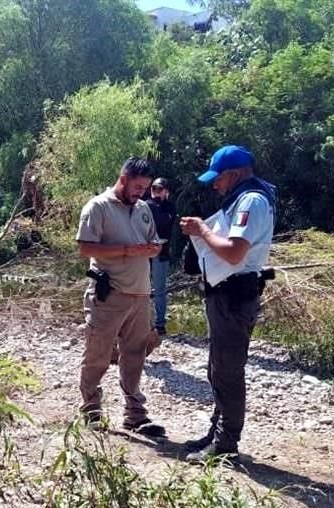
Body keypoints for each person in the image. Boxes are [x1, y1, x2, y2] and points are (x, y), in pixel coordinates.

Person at [179, 145, 276, 462]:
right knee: (218, 369)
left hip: (235, 297)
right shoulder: (243, 199)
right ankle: (217, 434)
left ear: (234, 174)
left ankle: (225, 445)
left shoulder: (252, 201)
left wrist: (202, 231)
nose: (215, 186)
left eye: (218, 179)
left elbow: (234, 253)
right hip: (226, 294)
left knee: (228, 371)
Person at [77, 157, 165, 437]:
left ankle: (135, 414)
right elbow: (85, 247)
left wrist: (153, 249)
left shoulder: (143, 209)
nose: (142, 192)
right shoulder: (98, 207)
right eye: (138, 187)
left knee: (135, 355)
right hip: (109, 295)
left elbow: (152, 241)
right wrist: (128, 250)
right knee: (98, 355)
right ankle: (91, 410)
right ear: (123, 179)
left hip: (140, 295)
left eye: (145, 188)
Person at [145, 177, 176, 335]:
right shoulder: (145, 205)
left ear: (166, 192)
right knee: (142, 288)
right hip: (144, 252)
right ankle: (143, 323)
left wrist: (157, 204)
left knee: (159, 290)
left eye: (159, 189)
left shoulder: (169, 207)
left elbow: (163, 222)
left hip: (161, 253)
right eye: (154, 189)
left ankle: (160, 324)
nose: (156, 192)